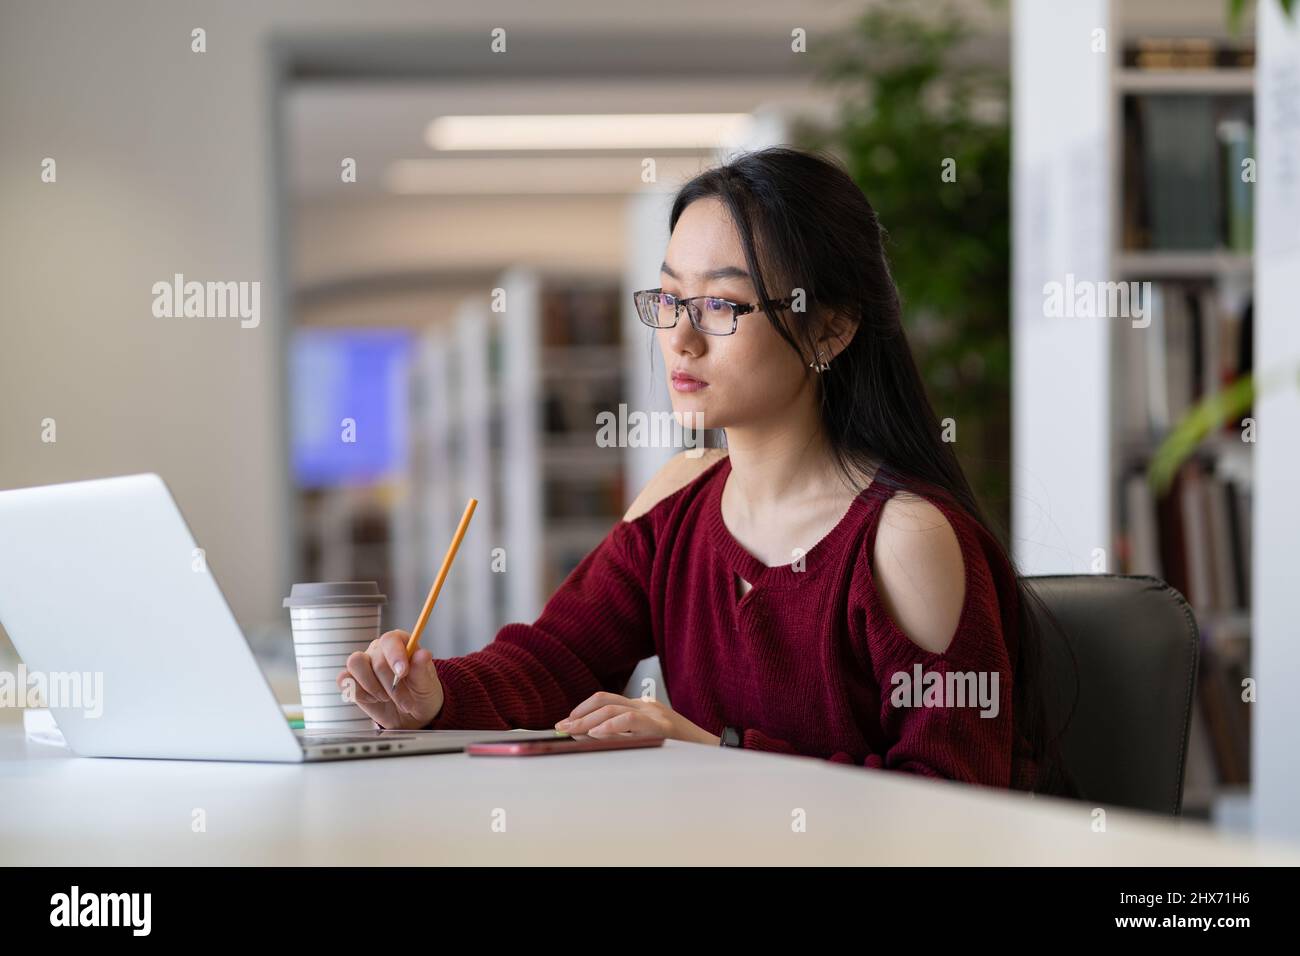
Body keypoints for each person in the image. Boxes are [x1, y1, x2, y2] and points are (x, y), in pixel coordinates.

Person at [337, 145, 1075, 794]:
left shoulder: (904, 539)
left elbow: (953, 801)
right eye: (668, 298)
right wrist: (435, 693)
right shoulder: (677, 497)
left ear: (833, 327)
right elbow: (553, 663)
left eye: (722, 304)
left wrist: (714, 752)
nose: (680, 339)